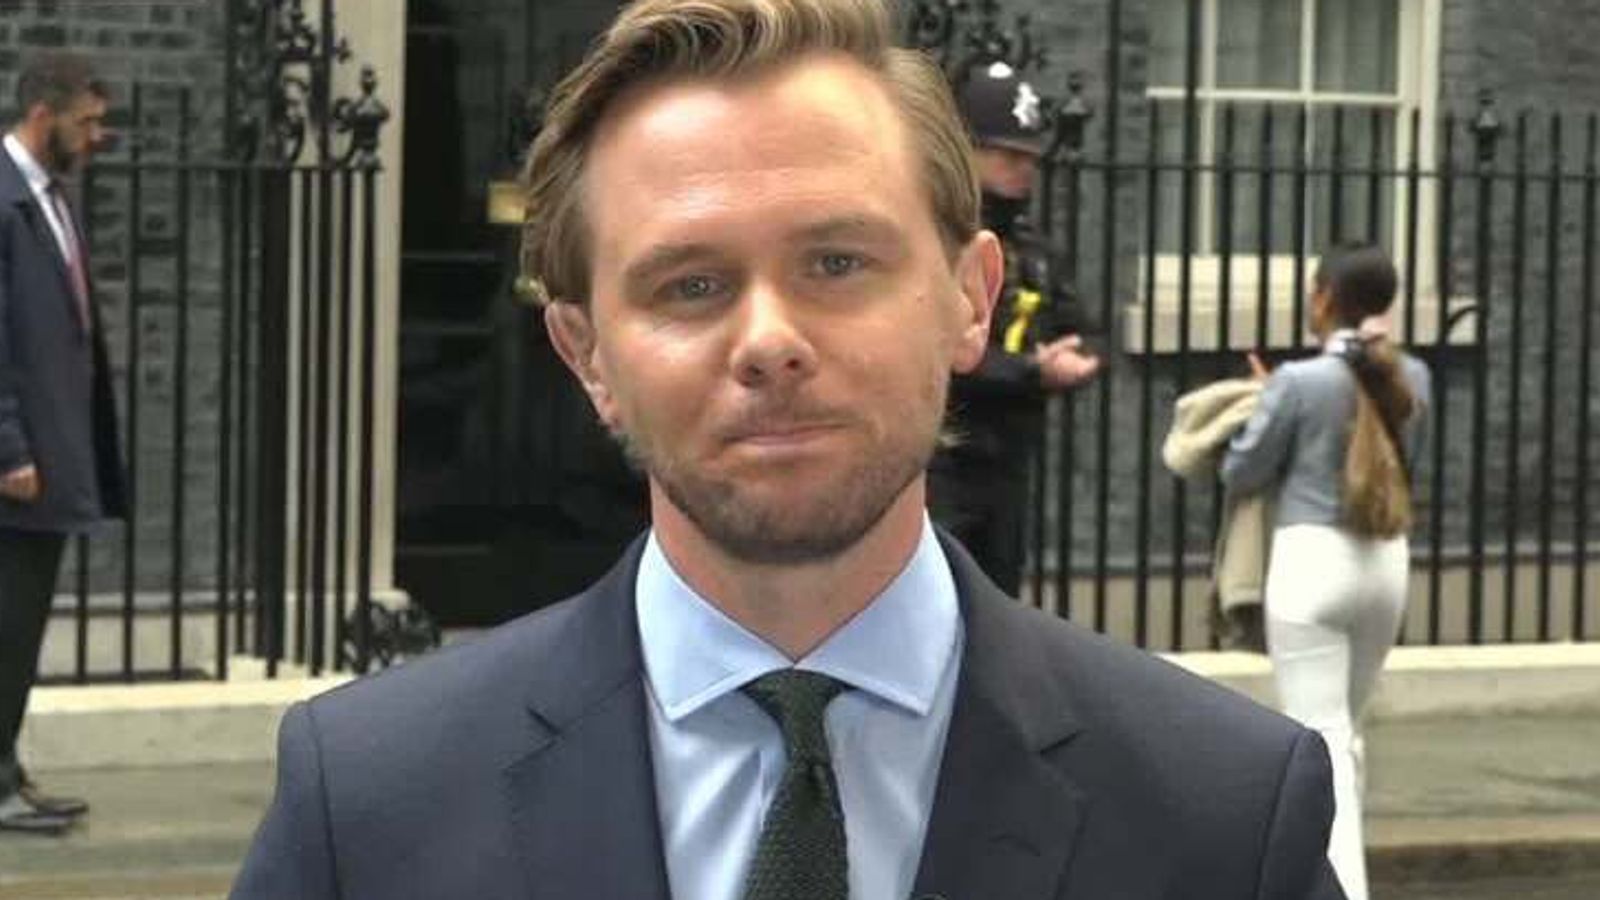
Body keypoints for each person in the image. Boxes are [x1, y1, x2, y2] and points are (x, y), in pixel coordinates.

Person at [232, 2, 1344, 897]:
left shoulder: (1225, 811)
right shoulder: (372, 804)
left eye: (837, 263)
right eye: (691, 285)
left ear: (970, 299)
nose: (768, 341)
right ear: (587, 356)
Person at [1222, 242, 1431, 900]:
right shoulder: (1415, 375)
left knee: (1322, 738)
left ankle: (1342, 890)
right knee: (1349, 731)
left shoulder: (1300, 381)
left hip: (1312, 562)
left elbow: (1242, 471)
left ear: (1322, 297)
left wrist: (1268, 404)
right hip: (1385, 563)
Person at [0, 53, 121, 837]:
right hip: (15, 471)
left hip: (46, 461)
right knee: (5, 627)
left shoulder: (48, 198)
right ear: (44, 117)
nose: (99, 136)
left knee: (19, 627)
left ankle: (5, 769)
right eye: (88, 121)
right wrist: (7, 448)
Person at [928, 59, 1100, 596]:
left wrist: (1079, 360)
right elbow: (939, 348)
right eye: (1008, 154)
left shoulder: (1033, 248)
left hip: (1009, 461)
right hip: (944, 460)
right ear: (966, 150)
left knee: (997, 602)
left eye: (1029, 156)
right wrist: (1031, 371)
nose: (1024, 169)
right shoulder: (934, 242)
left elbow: (1086, 327)